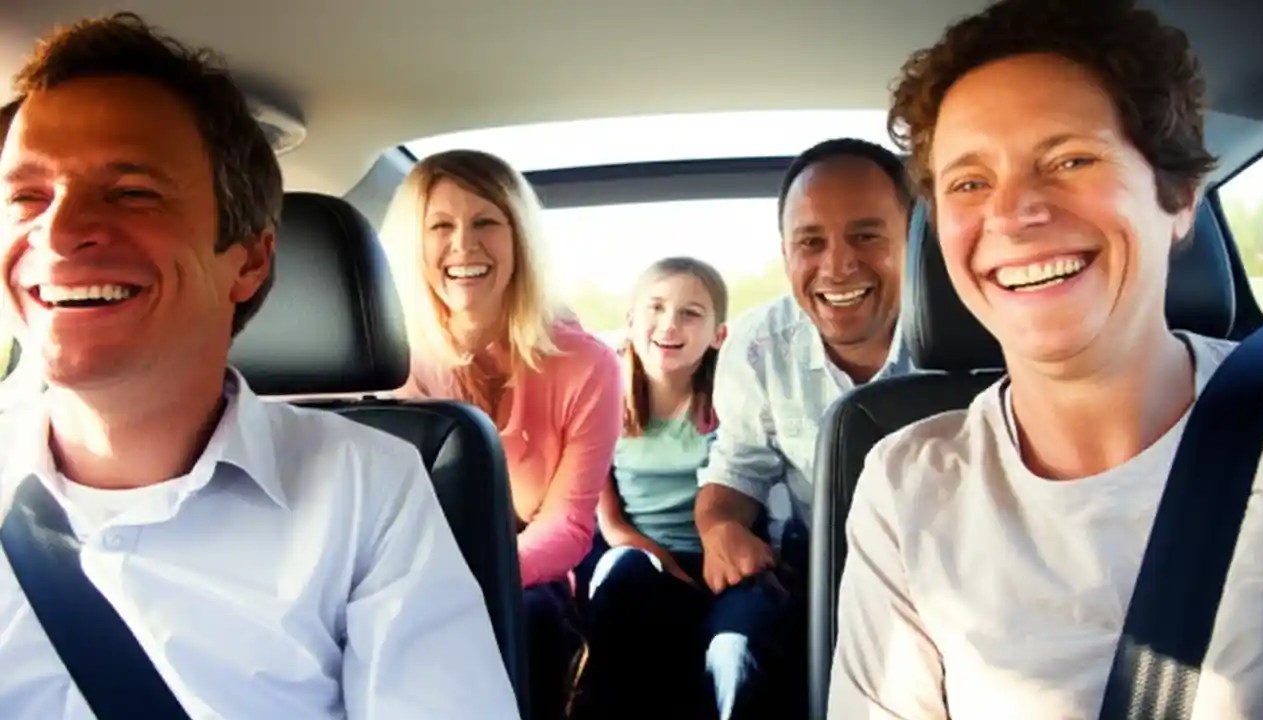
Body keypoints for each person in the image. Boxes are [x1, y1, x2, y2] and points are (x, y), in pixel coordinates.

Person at [0, 13, 518, 720]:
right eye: (26, 196)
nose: (56, 232)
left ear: (248, 258)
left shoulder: (370, 491)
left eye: (132, 191)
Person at [829, 0, 1263, 718]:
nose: (1014, 213)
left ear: (1180, 195)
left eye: (1071, 159)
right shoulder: (908, 484)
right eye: (970, 182)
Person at [380, 149, 624, 720]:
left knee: (528, 617)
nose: (464, 245)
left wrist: (467, 586)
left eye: (486, 222)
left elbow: (566, 525)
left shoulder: (588, 366)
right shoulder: (388, 363)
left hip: (526, 581)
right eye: (440, 226)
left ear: (520, 241)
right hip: (405, 576)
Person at [695, 138, 915, 717]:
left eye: (866, 235)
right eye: (810, 242)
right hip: (808, 559)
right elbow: (738, 467)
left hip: (941, 565)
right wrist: (720, 527)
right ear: (786, 251)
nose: (837, 266)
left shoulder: (976, 330)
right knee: (733, 649)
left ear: (913, 235)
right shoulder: (759, 341)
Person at [571, 256, 728, 719]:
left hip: (716, 554)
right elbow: (612, 522)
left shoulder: (728, 400)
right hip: (640, 552)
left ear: (718, 335)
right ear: (631, 323)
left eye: (691, 313)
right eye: (655, 308)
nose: (669, 324)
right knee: (622, 579)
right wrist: (671, 569)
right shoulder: (604, 401)